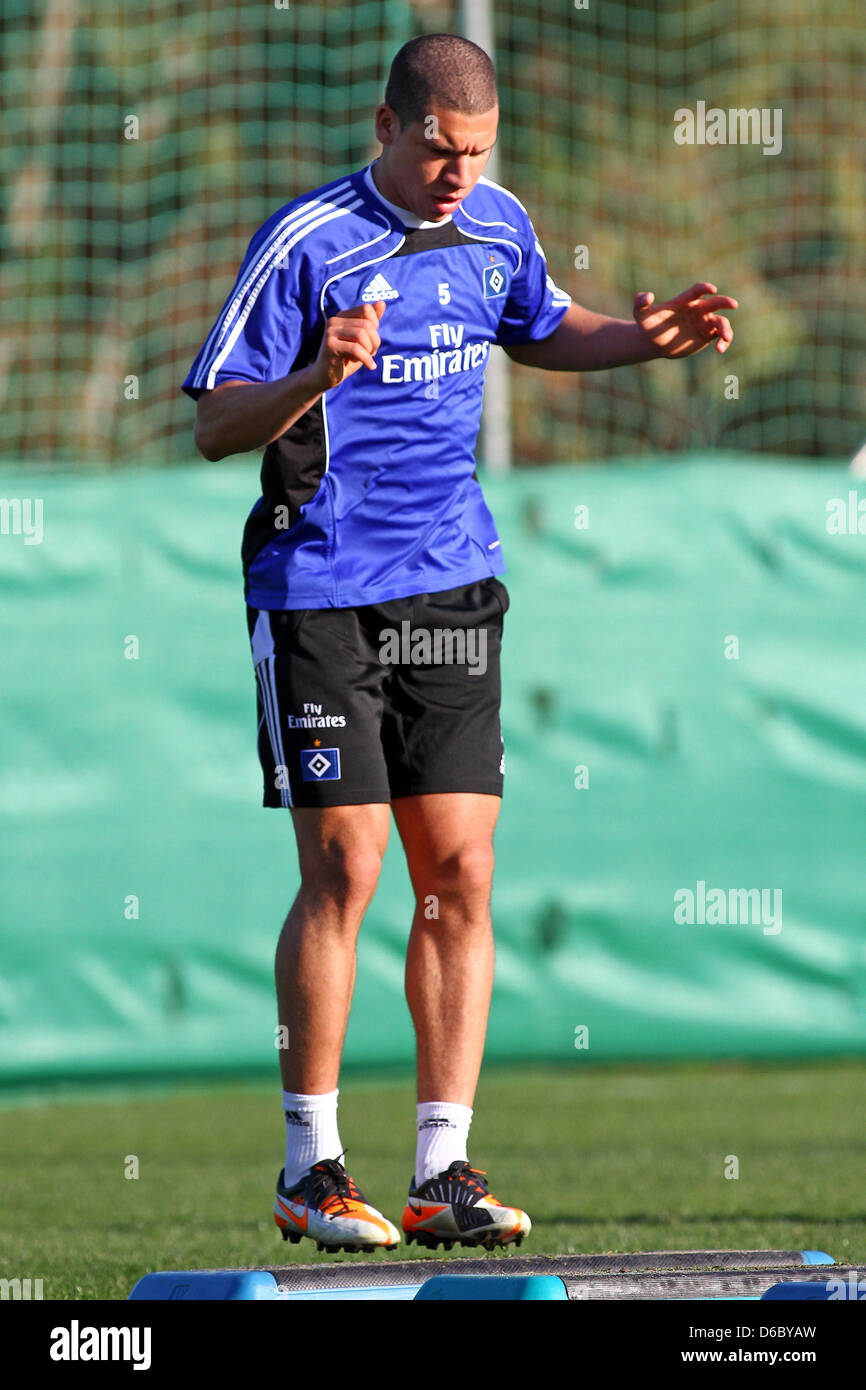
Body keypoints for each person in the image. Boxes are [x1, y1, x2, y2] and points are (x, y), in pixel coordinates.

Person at [182, 32, 736, 1254]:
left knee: (462, 877)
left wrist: (640, 339)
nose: (457, 173)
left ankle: (442, 1169)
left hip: (452, 589)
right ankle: (307, 1166)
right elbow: (219, 422)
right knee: (345, 874)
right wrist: (311, 380)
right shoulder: (306, 243)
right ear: (386, 125)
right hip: (320, 593)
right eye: (438, 150)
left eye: (477, 153)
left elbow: (538, 326)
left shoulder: (495, 224)